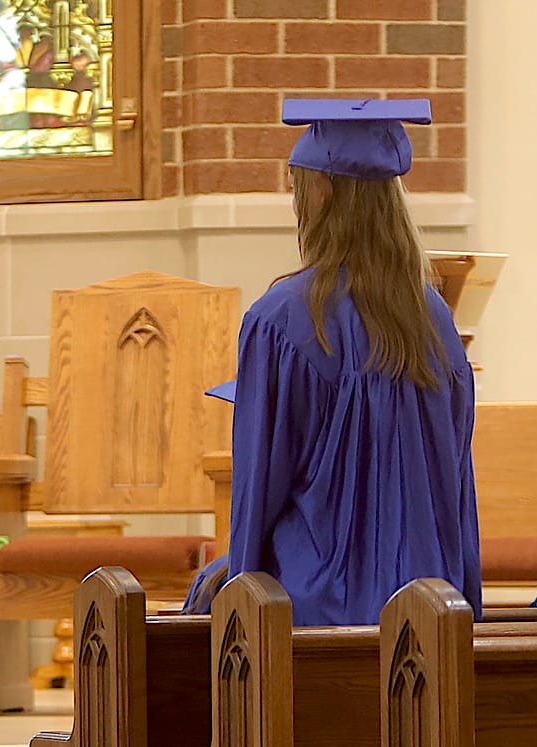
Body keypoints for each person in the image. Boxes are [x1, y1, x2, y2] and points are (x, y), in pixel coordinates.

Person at [186, 98, 480, 625]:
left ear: (317, 193)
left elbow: (261, 486)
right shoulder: (434, 317)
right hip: (431, 602)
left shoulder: (283, 317)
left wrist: (239, 585)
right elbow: (457, 482)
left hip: (314, 607)